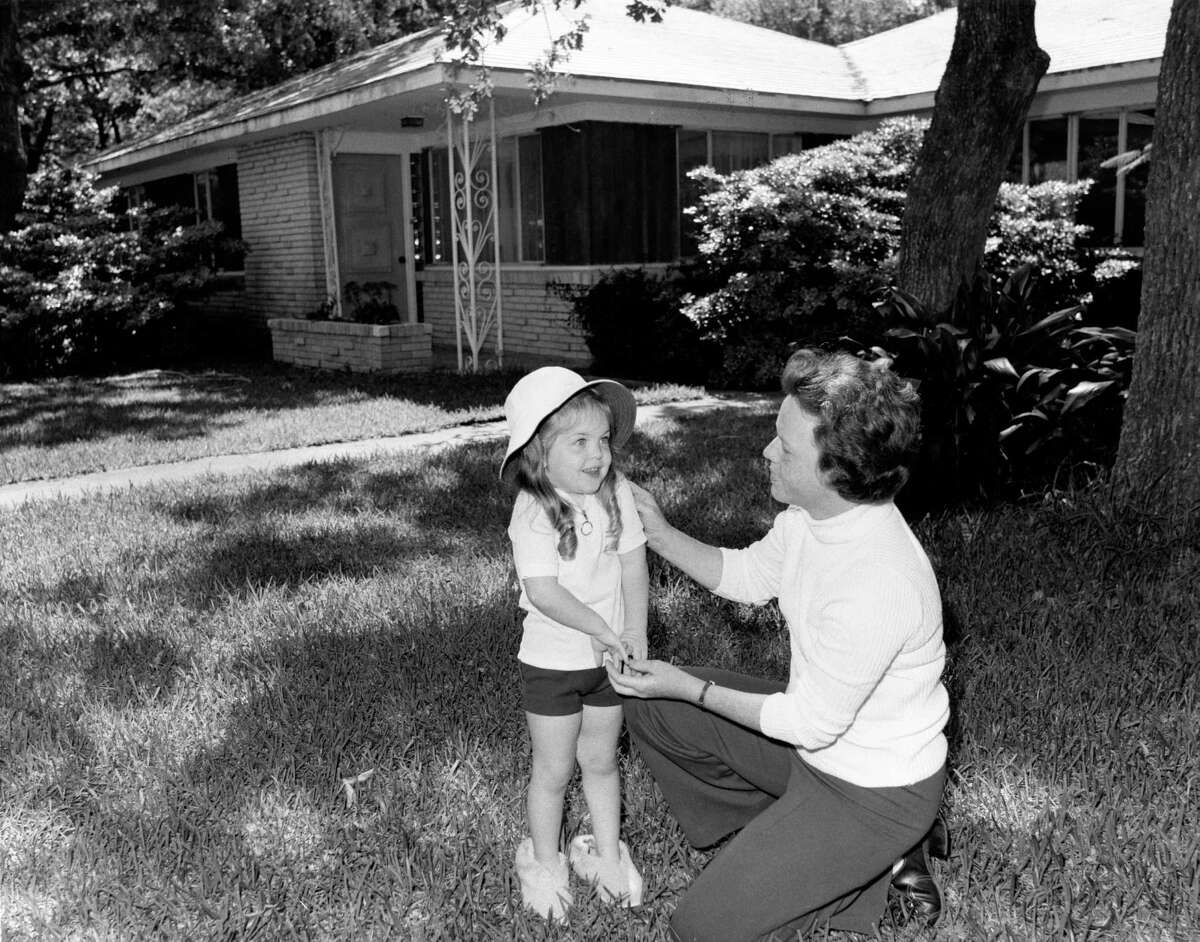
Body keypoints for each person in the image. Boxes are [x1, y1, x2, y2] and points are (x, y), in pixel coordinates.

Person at [606, 348, 950, 941]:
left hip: (871, 791)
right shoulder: (813, 519)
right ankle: (797, 842)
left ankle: (872, 873)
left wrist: (693, 686)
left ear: (837, 472)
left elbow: (808, 724)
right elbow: (746, 578)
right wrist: (658, 534)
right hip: (815, 747)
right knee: (652, 705)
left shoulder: (880, 581)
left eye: (786, 448)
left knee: (702, 928)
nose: (767, 452)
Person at [501, 366, 648, 922]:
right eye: (579, 442)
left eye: (604, 440)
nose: (598, 454)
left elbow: (633, 563)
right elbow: (543, 592)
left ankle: (607, 854)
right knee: (554, 769)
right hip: (553, 665)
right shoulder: (534, 510)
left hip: (606, 661)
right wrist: (604, 631)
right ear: (539, 454)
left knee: (602, 760)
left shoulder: (617, 492)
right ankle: (545, 860)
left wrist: (633, 630)